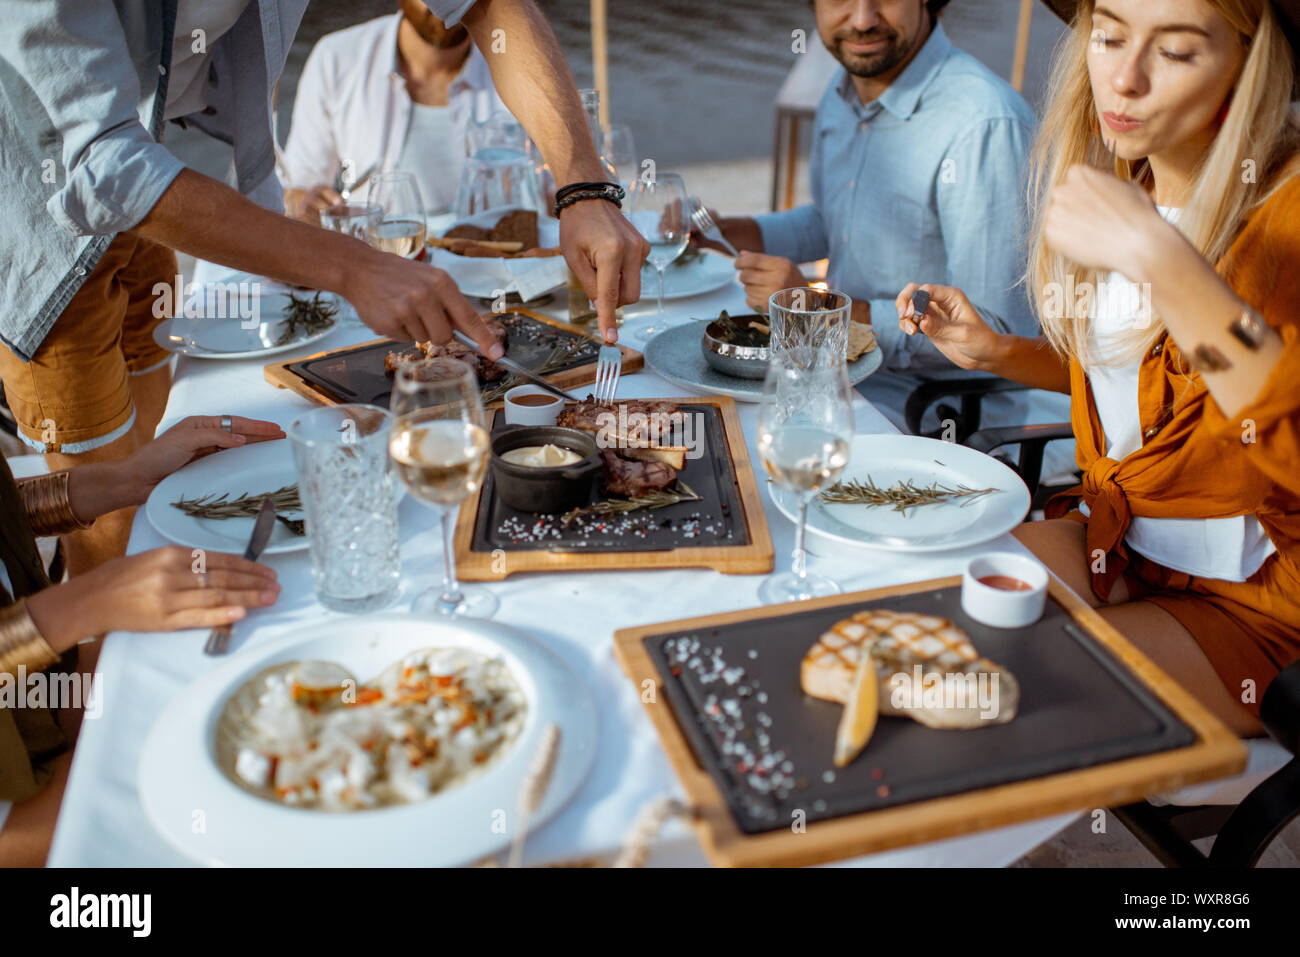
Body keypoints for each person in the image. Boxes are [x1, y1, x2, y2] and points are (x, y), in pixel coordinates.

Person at [0, 0, 647, 573]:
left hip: (152, 169)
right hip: (44, 209)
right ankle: (87, 696)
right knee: (109, 534)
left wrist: (583, 185)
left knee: (153, 480)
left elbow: (488, 5)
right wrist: (353, 266)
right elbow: (98, 165)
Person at [897, 0, 1300, 737]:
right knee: (910, 608)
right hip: (1126, 541)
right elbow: (1155, 397)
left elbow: (1281, 429)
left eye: (1175, 52)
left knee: (982, 702)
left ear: (1249, 64)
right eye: (1109, 36)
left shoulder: (1285, 212)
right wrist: (1001, 354)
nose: (1124, 77)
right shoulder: (1137, 183)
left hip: (1260, 610)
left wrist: (1158, 257)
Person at [702, 0, 1072, 470]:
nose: (861, 19)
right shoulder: (841, 92)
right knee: (699, 424)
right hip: (839, 376)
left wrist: (824, 314)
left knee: (745, 462)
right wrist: (736, 232)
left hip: (944, 411)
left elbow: (995, 331)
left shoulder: (984, 123)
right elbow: (835, 221)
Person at [0, 414, 284, 865]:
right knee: (229, 801)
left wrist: (126, 478)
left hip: (28, 693)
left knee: (232, 687)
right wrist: (85, 602)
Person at [282, 1, 507, 223]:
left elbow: (541, 186)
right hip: (371, 252)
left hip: (489, 255)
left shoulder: (511, 63)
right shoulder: (337, 57)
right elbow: (299, 186)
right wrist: (307, 204)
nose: (446, 4)